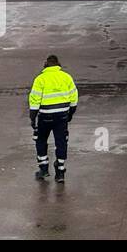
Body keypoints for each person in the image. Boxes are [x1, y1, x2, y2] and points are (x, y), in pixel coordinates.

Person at [28, 54, 78, 183]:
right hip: (62, 115)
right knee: (61, 142)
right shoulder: (66, 77)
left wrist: (33, 118)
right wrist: (70, 114)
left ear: (45, 65)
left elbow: (34, 99)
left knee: (41, 140)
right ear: (58, 65)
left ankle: (44, 169)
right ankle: (60, 170)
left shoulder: (40, 79)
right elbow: (74, 97)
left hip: (45, 115)